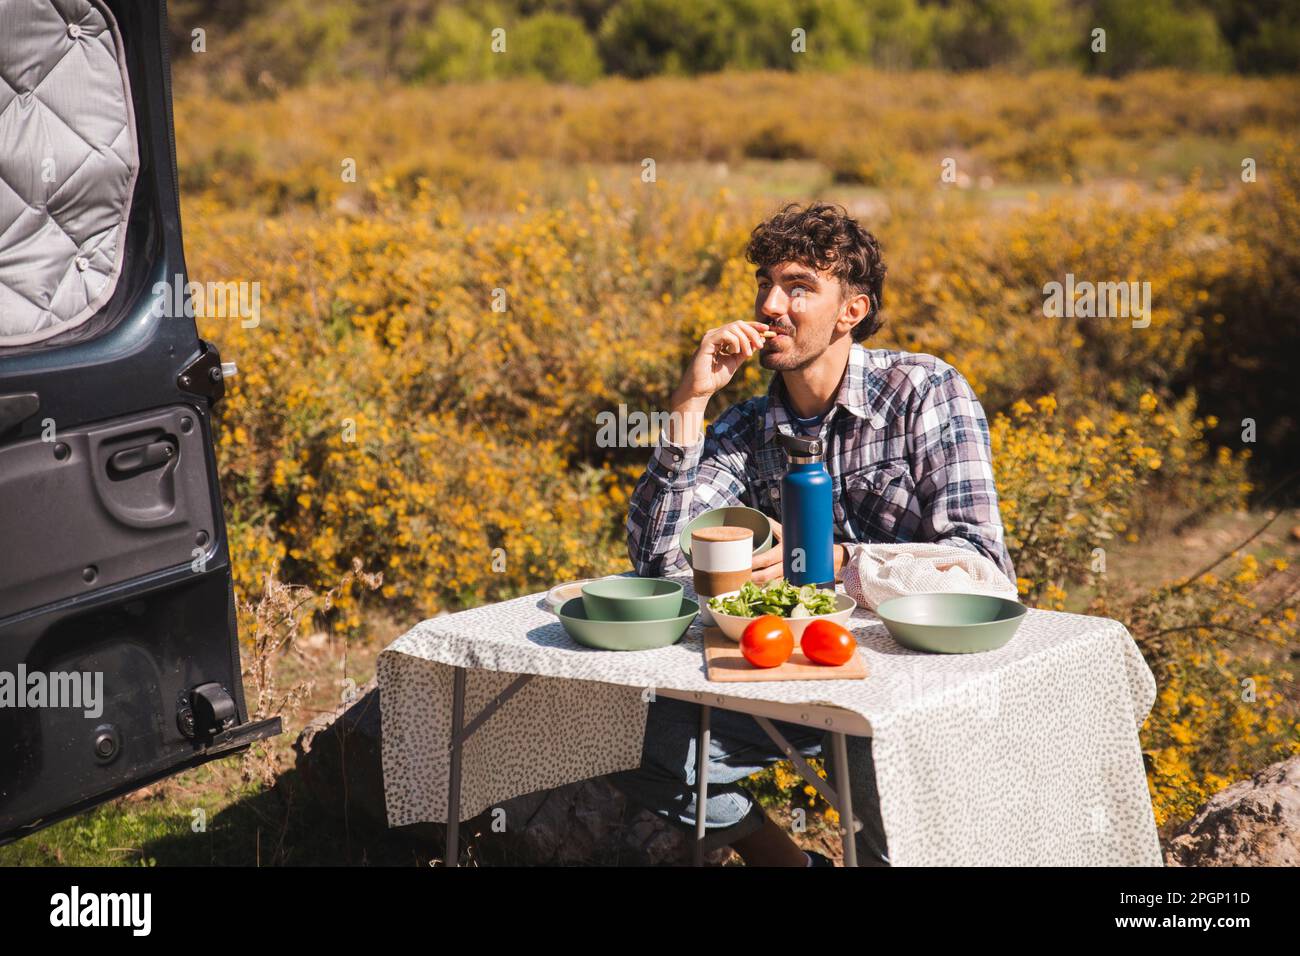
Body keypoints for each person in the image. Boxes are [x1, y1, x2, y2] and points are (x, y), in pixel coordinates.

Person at [611, 201, 1016, 866]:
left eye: (799, 287)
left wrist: (842, 563)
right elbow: (655, 562)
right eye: (766, 285)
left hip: (908, 681)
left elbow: (983, 566)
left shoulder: (923, 391)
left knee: (892, 815)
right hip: (789, 673)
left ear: (850, 311)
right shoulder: (745, 429)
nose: (772, 304)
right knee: (634, 737)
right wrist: (690, 402)